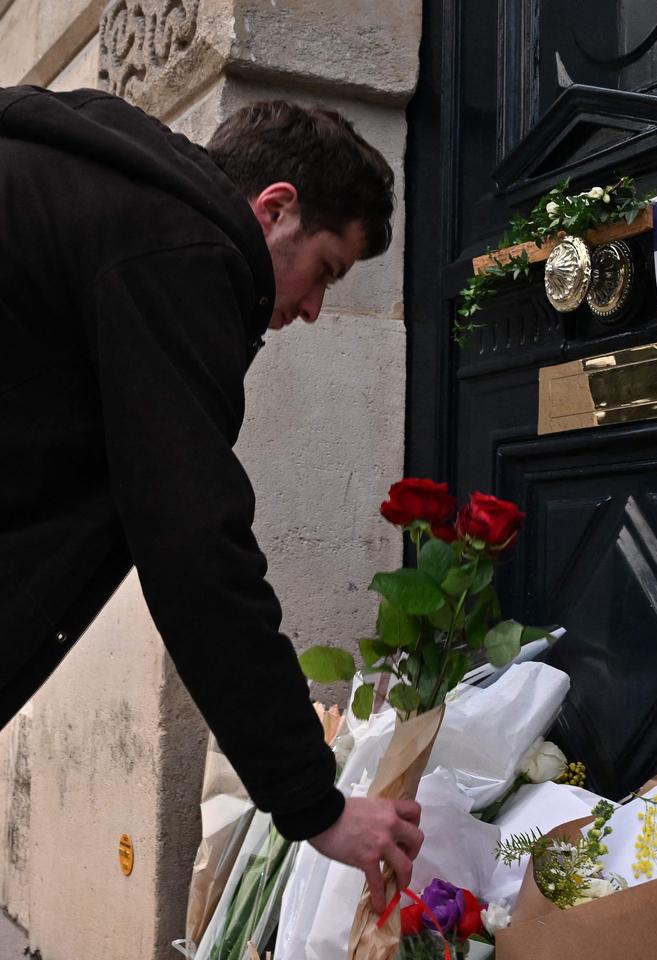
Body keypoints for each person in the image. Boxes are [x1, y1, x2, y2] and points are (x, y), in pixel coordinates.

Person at [0, 87, 421, 908]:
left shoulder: (100, 193)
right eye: (324, 272)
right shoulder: (181, 250)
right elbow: (193, 542)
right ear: (275, 208)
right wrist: (315, 803)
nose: (313, 309)